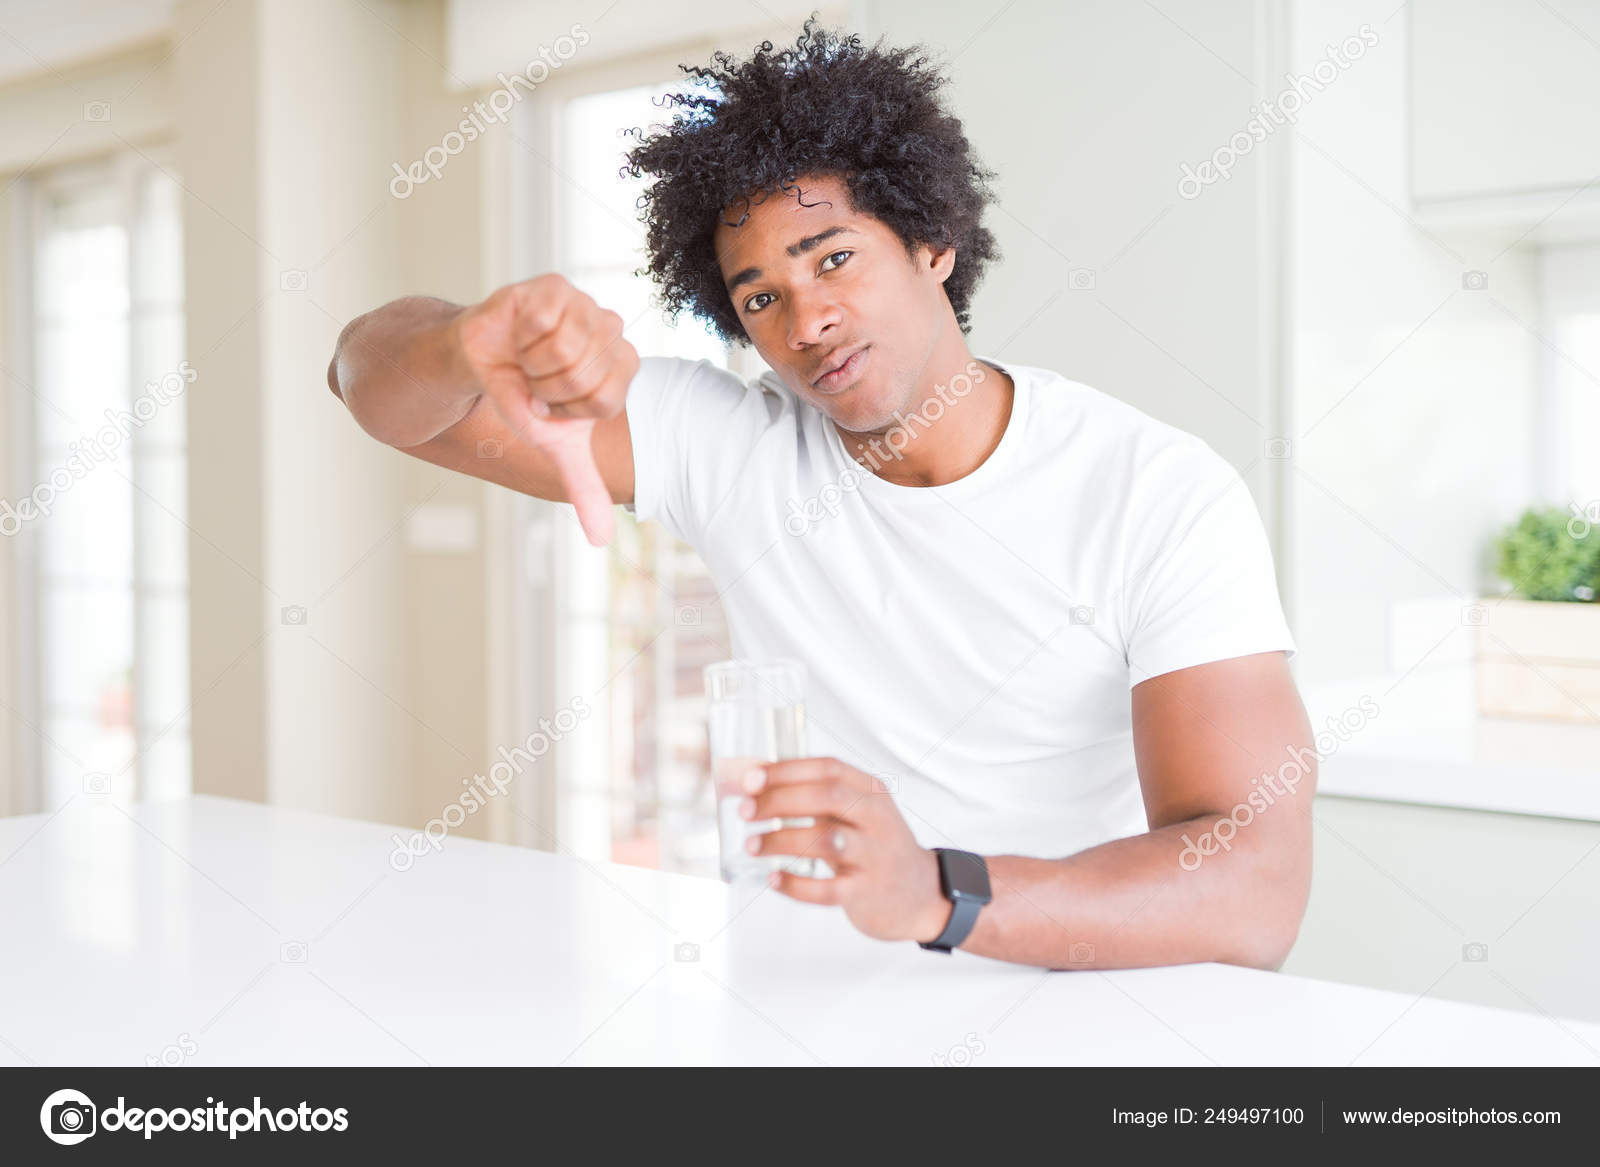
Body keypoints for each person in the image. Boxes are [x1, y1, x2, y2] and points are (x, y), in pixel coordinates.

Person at [328, 20, 1314, 970]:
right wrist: (467, 341)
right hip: (801, 1009)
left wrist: (933, 893)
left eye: (833, 256)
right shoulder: (733, 446)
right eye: (759, 297)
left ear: (931, 244)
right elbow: (367, 385)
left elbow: (1254, 883)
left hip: (1071, 1008)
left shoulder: (1155, 492)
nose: (807, 319)